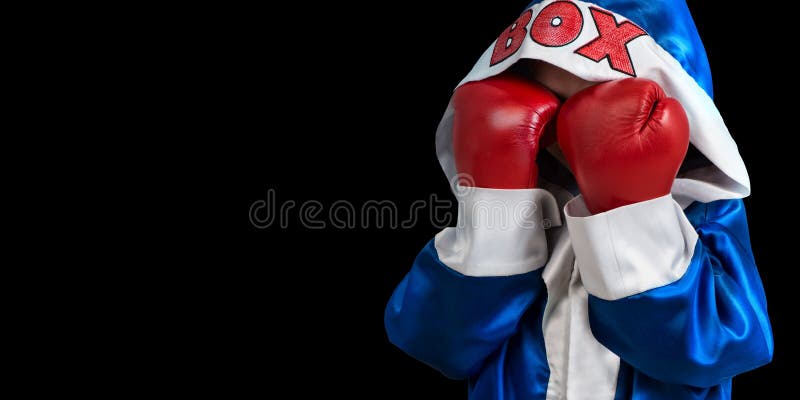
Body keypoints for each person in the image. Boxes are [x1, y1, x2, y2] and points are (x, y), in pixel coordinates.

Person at [384, 1, 773, 398]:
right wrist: (495, 209)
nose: (579, 129)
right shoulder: (517, 197)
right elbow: (435, 342)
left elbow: (721, 349)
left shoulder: (702, 206)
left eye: (605, 101)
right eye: (555, 105)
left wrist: (630, 208)